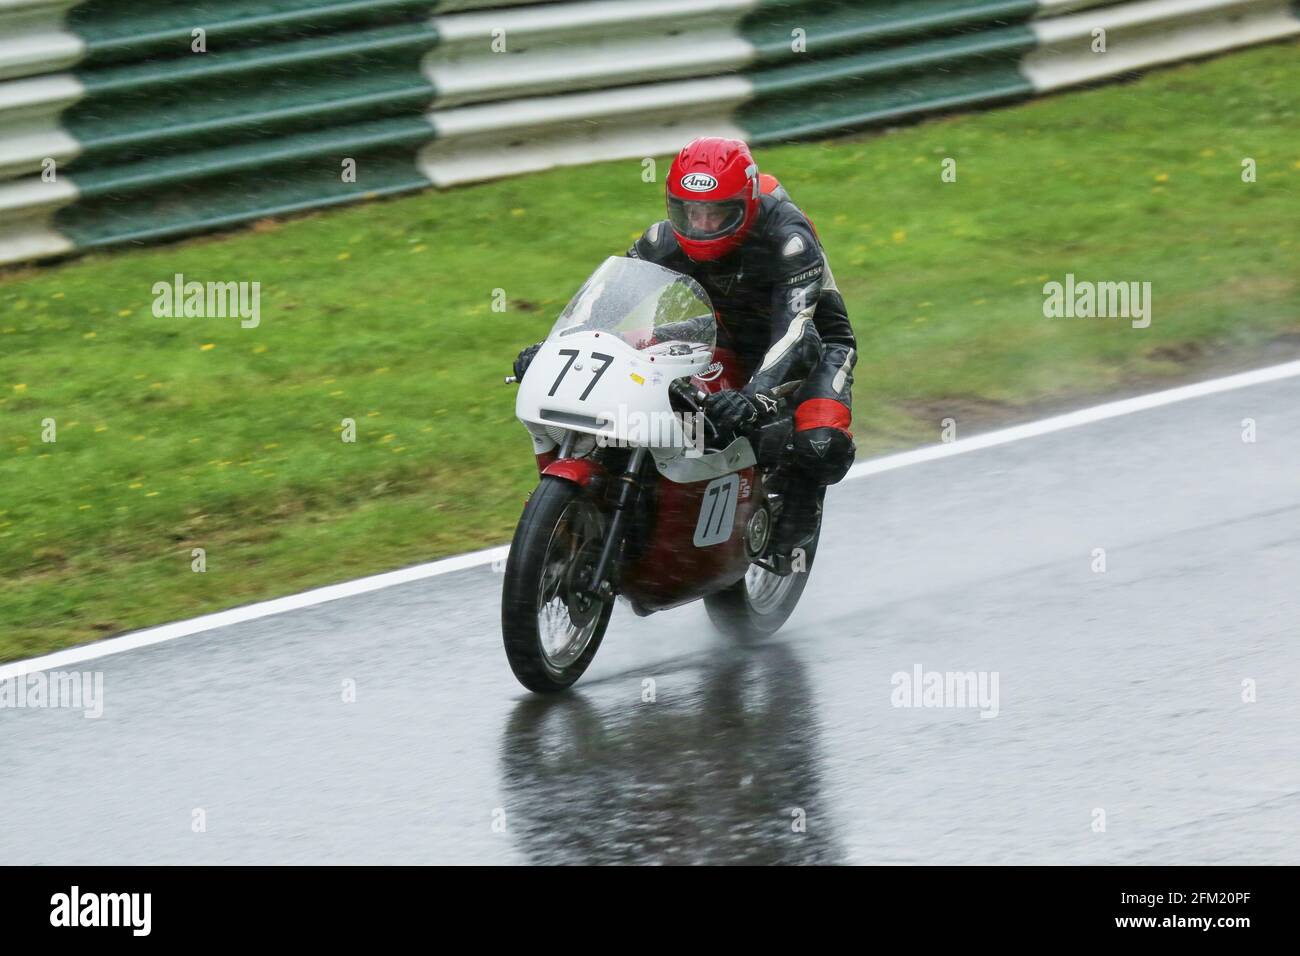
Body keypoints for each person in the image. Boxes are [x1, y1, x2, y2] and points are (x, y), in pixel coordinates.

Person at [513, 136, 857, 570]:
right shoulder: (664, 238)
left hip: (811, 343)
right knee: (634, 347)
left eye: (717, 213)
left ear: (745, 205)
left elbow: (795, 330)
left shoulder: (788, 240)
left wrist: (757, 396)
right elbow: (606, 304)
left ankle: (795, 513)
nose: (703, 226)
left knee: (820, 443)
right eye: (691, 212)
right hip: (722, 331)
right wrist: (557, 349)